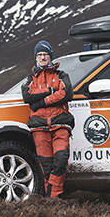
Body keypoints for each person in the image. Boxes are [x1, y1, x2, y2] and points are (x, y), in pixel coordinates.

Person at [21, 40, 74, 198]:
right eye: (39, 55)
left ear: (50, 56)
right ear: (36, 58)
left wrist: (41, 102)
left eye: (45, 54)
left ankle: (52, 198)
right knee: (46, 166)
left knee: (61, 161)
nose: (42, 57)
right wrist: (50, 91)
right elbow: (27, 95)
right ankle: (53, 199)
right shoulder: (30, 78)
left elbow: (67, 93)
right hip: (39, 126)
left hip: (60, 124)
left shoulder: (61, 75)